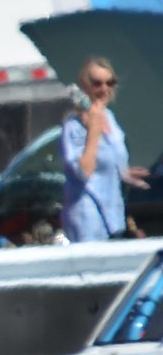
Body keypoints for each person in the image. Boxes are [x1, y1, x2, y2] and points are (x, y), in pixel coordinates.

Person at [61, 56, 151, 242]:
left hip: (114, 214)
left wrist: (125, 173)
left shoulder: (109, 117)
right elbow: (84, 172)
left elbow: (111, 159)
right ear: (85, 86)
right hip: (89, 216)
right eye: (97, 83)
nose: (104, 89)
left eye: (110, 83)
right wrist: (94, 129)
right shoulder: (74, 126)